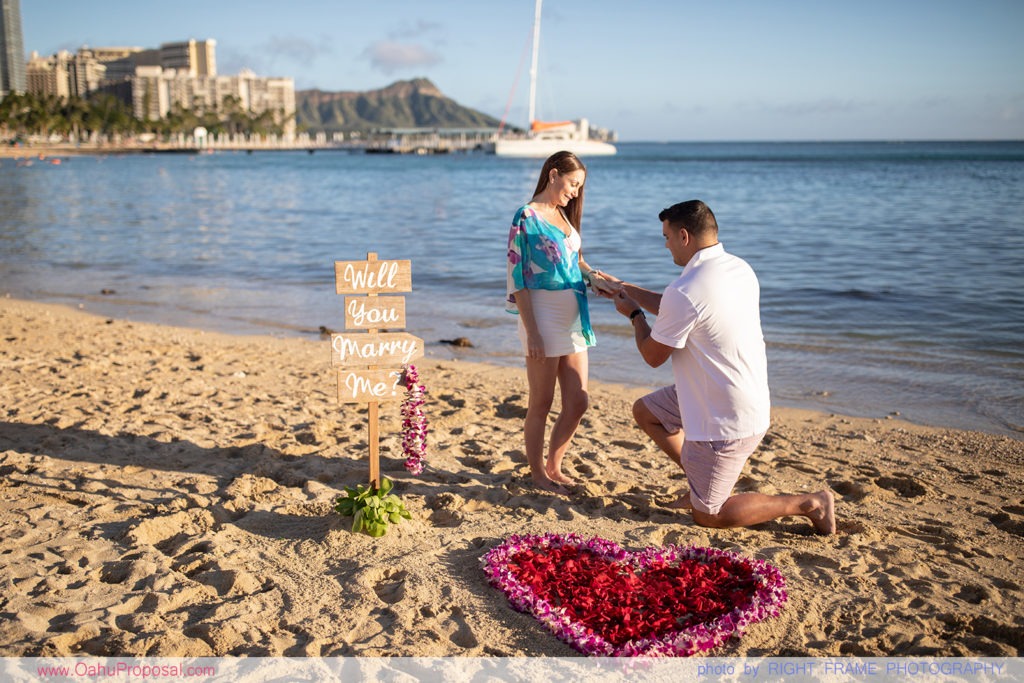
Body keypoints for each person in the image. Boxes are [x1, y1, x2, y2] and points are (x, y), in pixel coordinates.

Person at [602, 200, 835, 533]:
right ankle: (701, 481)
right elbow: (680, 308)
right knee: (648, 412)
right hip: (737, 394)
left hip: (726, 418)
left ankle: (809, 502)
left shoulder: (686, 289)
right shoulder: (738, 268)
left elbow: (653, 356)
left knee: (710, 515)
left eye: (666, 237)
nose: (665, 244)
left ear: (684, 236)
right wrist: (625, 289)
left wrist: (635, 316)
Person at [505, 151, 617, 494]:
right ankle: (538, 473)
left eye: (579, 187)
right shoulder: (526, 216)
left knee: (578, 401)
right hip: (541, 316)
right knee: (541, 402)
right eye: (572, 184)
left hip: (573, 317)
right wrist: (534, 332)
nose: (575, 192)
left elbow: (576, 259)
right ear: (553, 174)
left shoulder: (564, 216)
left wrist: (598, 279)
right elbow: (517, 278)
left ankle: (555, 465)